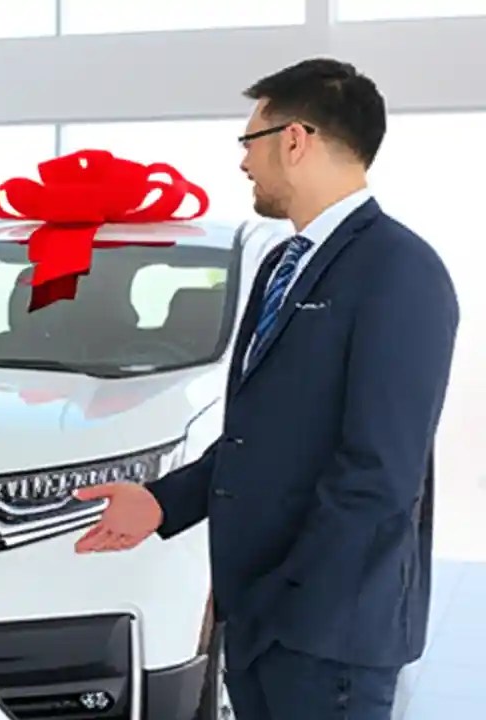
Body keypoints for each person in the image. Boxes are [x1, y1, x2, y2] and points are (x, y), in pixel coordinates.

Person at [71, 58, 458, 720]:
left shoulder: (399, 271)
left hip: (327, 636)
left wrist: (289, 602)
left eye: (250, 140)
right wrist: (163, 502)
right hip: (260, 623)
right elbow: (261, 437)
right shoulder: (284, 264)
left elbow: (381, 476)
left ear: (295, 140)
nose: (243, 162)